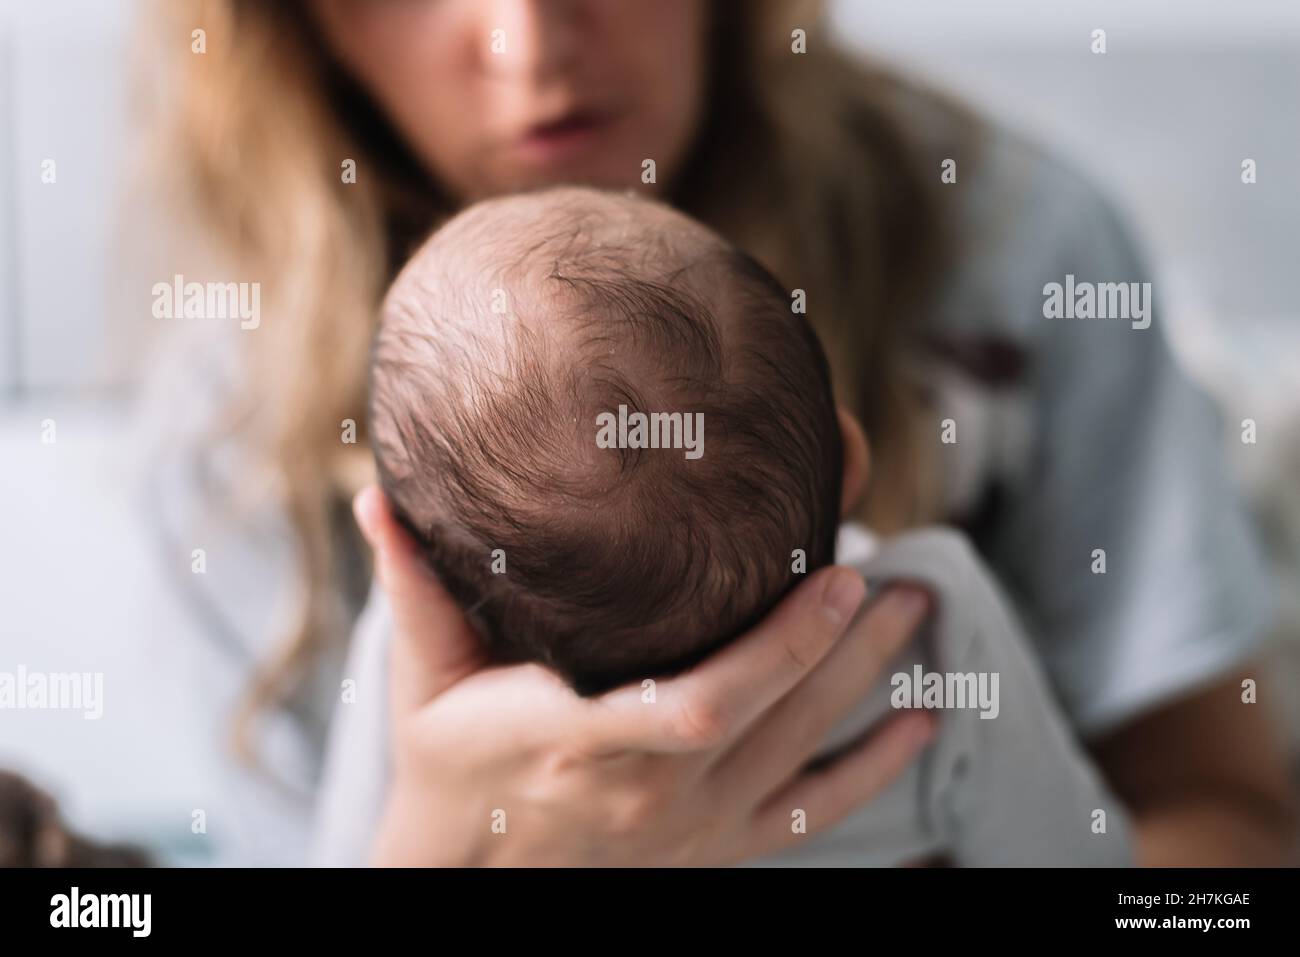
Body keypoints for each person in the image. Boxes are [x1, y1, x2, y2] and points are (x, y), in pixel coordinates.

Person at [135, 0, 1295, 865]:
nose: (528, 45)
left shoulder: (1016, 248)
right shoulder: (229, 435)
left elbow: (1228, 829)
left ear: (405, 551)